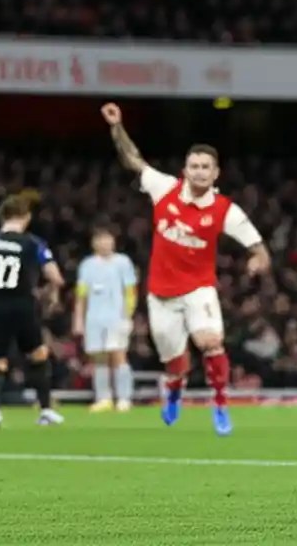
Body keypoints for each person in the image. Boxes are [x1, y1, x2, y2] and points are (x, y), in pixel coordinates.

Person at [100, 102, 272, 436]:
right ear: (185, 169)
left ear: (215, 173)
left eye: (206, 167)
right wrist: (116, 126)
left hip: (199, 287)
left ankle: (220, 404)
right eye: (194, 166)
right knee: (175, 362)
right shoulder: (164, 188)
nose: (200, 172)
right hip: (161, 292)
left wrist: (258, 260)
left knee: (210, 340)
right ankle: (175, 390)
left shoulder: (225, 210)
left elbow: (259, 247)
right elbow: (133, 160)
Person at [0, 191, 66, 428]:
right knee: (37, 354)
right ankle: (45, 411)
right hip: (23, 304)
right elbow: (56, 278)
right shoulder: (32, 242)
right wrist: (48, 295)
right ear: (25, 217)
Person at [72, 224, 140, 412]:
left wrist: (128, 314)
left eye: (107, 239)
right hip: (94, 318)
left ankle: (124, 397)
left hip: (116, 316)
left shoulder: (123, 262)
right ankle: (104, 398)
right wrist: (78, 320)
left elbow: (130, 290)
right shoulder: (87, 265)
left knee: (118, 355)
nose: (104, 243)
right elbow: (81, 295)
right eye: (100, 239)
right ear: (94, 243)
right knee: (99, 358)